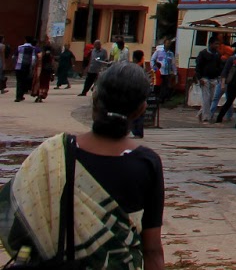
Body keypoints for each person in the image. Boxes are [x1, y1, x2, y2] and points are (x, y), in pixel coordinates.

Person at [0, 61, 166, 268]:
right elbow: (152, 250)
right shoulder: (147, 163)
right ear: (142, 108)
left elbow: (14, 218)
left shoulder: (54, 154)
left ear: (94, 98)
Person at [193, 35, 224, 123]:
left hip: (214, 79)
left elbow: (220, 66)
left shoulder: (217, 54)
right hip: (204, 79)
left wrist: (219, 76)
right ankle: (206, 117)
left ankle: (201, 113)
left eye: (218, 44)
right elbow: (198, 67)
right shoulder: (203, 53)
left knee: (211, 99)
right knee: (206, 98)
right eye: (216, 44)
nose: (217, 46)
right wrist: (200, 78)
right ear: (210, 44)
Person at [12, 35, 35, 103]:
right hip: (26, 67)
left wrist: (16, 63)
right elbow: (33, 59)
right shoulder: (32, 48)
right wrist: (32, 66)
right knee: (24, 81)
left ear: (25, 40)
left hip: (18, 66)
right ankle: (21, 95)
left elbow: (13, 57)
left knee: (19, 81)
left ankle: (18, 97)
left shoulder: (19, 47)